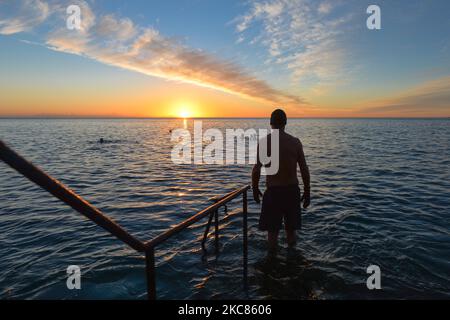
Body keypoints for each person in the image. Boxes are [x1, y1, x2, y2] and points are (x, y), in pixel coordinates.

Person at [252, 109, 310, 252]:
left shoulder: (264, 143)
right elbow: (304, 169)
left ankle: (271, 266)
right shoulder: (295, 142)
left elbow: (256, 169)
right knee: (291, 233)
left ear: (270, 123)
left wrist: (254, 189)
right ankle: (292, 264)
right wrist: (307, 191)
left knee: (272, 235)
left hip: (273, 192)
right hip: (291, 191)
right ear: (285, 123)